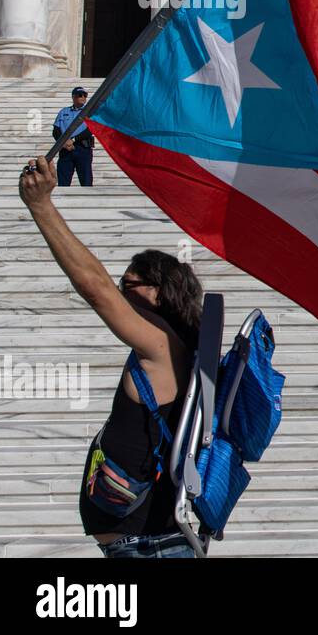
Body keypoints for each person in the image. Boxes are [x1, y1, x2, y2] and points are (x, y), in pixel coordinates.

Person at [19, 154, 203, 557]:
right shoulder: (179, 344)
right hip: (148, 544)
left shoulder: (162, 343)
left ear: (160, 291)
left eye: (129, 284)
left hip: (150, 547)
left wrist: (41, 206)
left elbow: (96, 290)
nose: (120, 292)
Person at [53, 86, 96, 187]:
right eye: (79, 95)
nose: (82, 97)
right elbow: (56, 131)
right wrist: (63, 142)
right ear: (73, 97)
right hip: (66, 149)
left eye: (85, 95)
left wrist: (73, 139)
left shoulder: (89, 112)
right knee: (63, 180)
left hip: (82, 148)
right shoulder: (64, 112)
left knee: (86, 180)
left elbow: (90, 130)